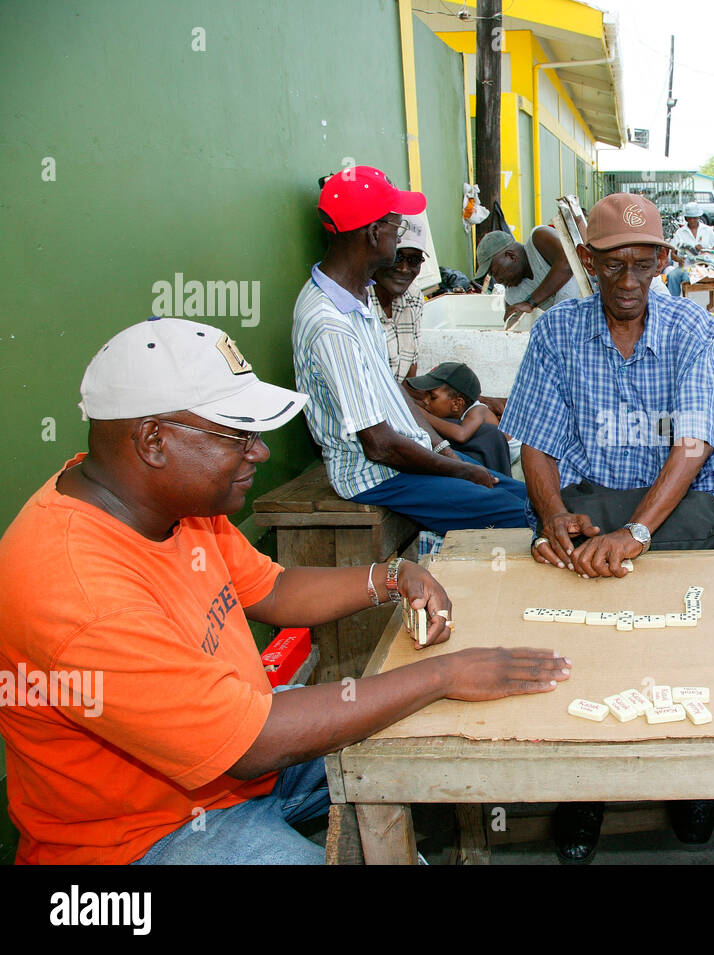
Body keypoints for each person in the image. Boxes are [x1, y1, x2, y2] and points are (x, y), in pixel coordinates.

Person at [0, 318, 571, 864]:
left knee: (426, 736)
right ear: (153, 440)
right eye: (237, 435)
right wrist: (446, 673)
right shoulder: (78, 592)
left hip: (242, 763)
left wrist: (393, 576)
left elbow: (273, 589)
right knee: (423, 697)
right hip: (146, 836)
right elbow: (253, 744)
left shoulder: (168, 504)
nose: (260, 452)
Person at [500, 193, 714, 863]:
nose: (628, 283)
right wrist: (553, 517)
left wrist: (635, 531)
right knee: (582, 639)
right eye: (612, 267)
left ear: (664, 259)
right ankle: (584, 789)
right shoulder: (557, 330)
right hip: (592, 497)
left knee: (680, 635)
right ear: (587, 261)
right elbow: (537, 444)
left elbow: (691, 446)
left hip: (676, 499)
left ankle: (688, 773)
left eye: (642, 265)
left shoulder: (692, 328)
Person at [292, 165, 529, 533]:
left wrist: (447, 453)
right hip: (377, 475)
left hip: (403, 460)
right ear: (373, 234)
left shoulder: (357, 299)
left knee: (528, 497)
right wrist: (461, 469)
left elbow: (395, 396)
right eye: (396, 228)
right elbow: (379, 446)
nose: (399, 238)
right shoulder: (330, 323)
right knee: (520, 515)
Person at [403, 361, 513, 476]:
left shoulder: (479, 410)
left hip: (516, 462)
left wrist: (422, 415)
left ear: (456, 404)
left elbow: (461, 435)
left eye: (432, 397)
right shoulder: (459, 412)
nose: (425, 401)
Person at [474, 226, 582, 326]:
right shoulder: (513, 297)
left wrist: (530, 303)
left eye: (496, 272)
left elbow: (568, 262)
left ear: (511, 256)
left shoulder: (539, 238)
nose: (498, 280)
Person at [369, 213, 430, 381]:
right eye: (397, 257)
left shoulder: (414, 297)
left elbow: (409, 379)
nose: (404, 269)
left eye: (413, 260)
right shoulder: (362, 304)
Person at [665, 203, 714, 319]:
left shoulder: (707, 230)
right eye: (690, 218)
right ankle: (673, 309)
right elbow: (672, 253)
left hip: (705, 265)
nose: (693, 220)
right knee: (673, 276)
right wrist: (680, 259)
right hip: (687, 265)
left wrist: (705, 250)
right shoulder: (680, 232)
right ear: (686, 219)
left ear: (698, 217)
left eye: (695, 217)